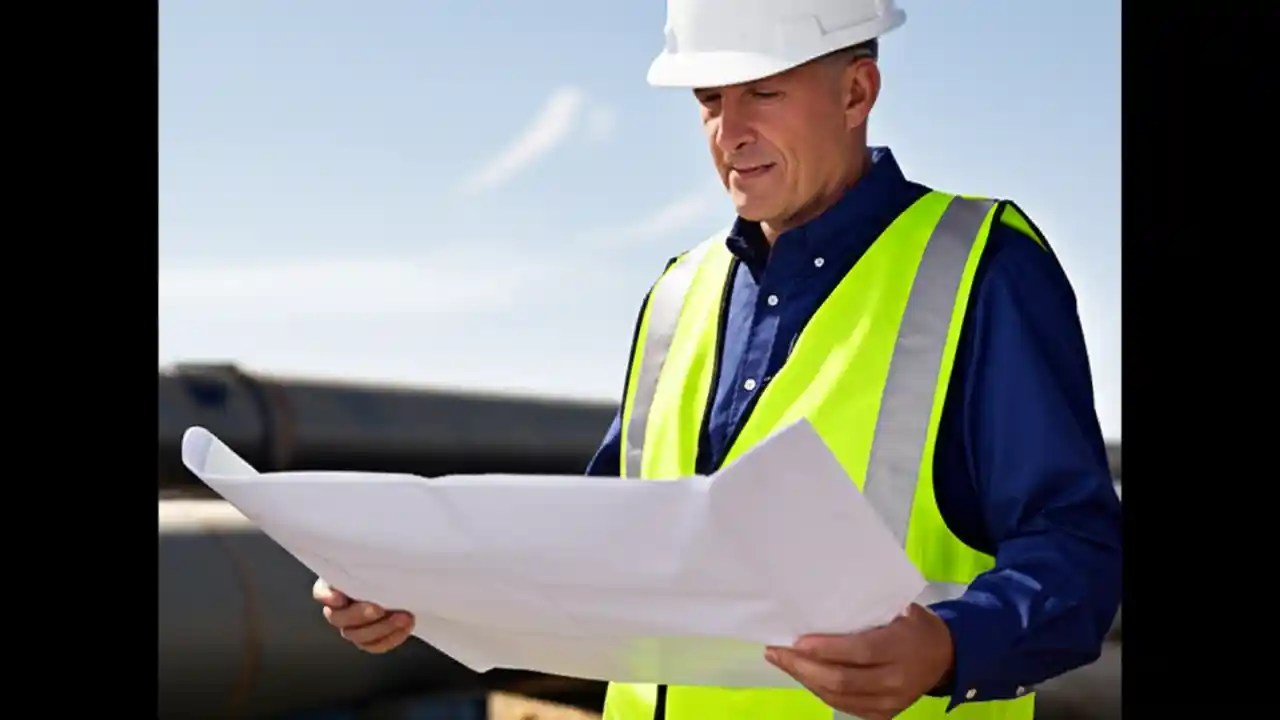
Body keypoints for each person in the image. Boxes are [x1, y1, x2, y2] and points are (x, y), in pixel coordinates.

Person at [314, 0, 1123, 717]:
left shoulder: (982, 269)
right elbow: (589, 544)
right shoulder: (678, 293)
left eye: (763, 92)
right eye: (708, 99)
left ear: (856, 92)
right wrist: (413, 585)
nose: (729, 133)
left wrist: (948, 648)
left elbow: (1079, 553)